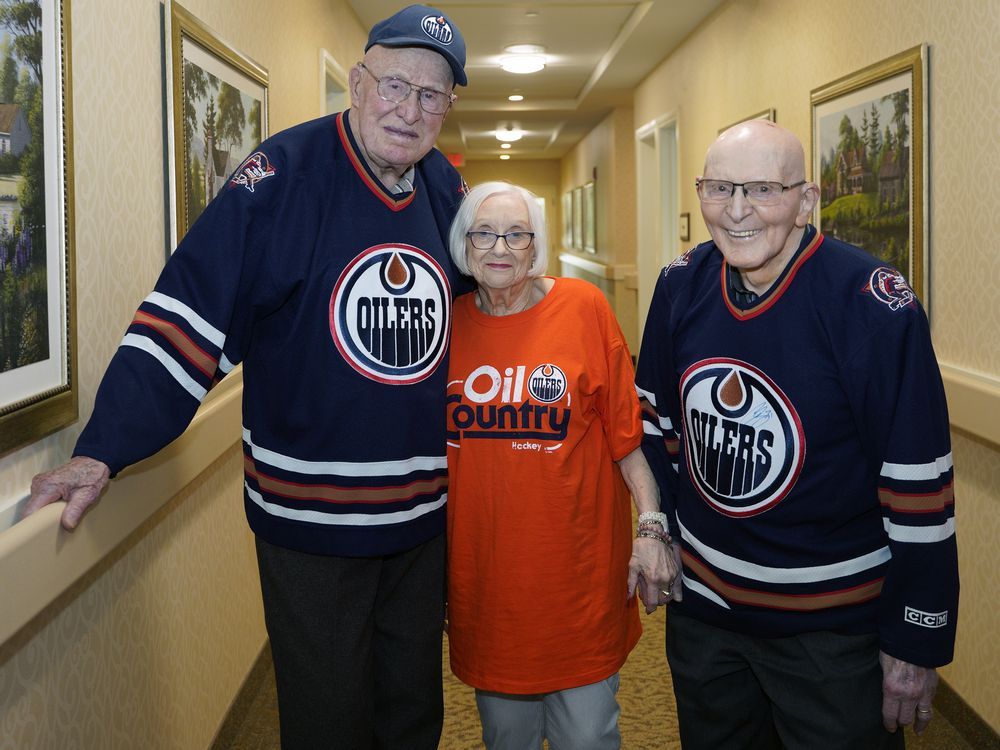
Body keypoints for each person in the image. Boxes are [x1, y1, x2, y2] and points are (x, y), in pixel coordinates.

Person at [24, 5, 470, 748]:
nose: (409, 109)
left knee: (412, 716)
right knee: (329, 725)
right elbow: (192, 310)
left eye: (431, 95)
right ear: (357, 84)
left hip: (420, 522)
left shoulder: (443, 191)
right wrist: (105, 447)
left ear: (447, 109)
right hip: (312, 526)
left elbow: (479, 326)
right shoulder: (285, 174)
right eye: (395, 85)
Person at [634, 119, 959, 749]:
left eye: (761, 190)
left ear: (807, 200)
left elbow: (919, 487)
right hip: (706, 619)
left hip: (832, 637)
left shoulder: (869, 303)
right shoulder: (680, 286)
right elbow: (658, 426)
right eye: (719, 188)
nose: (736, 212)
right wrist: (658, 528)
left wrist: (915, 638)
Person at [444, 181, 678, 749]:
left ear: (536, 245)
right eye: (484, 232)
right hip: (488, 585)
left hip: (579, 583)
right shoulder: (445, 326)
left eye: (517, 234)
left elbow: (627, 439)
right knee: (506, 738)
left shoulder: (584, 309)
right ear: (463, 242)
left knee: (588, 736)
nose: (500, 247)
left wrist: (651, 527)